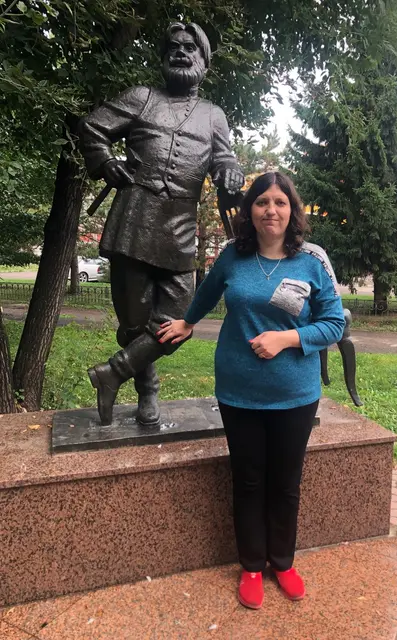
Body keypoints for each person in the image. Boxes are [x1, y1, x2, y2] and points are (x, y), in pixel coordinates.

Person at [157, 171, 345, 609]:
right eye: (262, 202)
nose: (271, 210)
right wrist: (188, 321)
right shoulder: (233, 256)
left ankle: (284, 562)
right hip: (239, 393)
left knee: (286, 482)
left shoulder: (311, 261)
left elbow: (334, 324)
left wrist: (287, 338)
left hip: (295, 395)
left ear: (293, 211)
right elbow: (207, 292)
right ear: (250, 211)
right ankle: (252, 567)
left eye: (280, 202)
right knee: (248, 480)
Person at [79, 22, 244, 427]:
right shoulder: (142, 97)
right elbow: (92, 128)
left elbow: (224, 158)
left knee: (178, 320)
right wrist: (106, 162)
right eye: (174, 47)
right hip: (134, 219)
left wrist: (230, 173)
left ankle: (113, 372)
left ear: (204, 62)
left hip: (180, 228)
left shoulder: (213, 115)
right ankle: (147, 393)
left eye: (191, 48)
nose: (181, 52)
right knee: (134, 324)